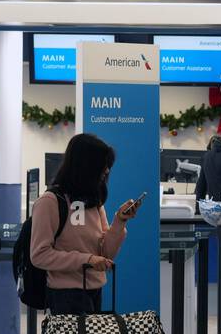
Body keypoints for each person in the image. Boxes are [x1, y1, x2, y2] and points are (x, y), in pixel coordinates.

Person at [29, 133, 140, 316]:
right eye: (102, 165)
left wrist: (119, 221)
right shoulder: (50, 202)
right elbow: (40, 255)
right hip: (65, 296)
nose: (105, 171)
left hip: (95, 290)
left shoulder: (93, 201)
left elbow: (105, 253)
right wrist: (86, 260)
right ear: (86, 166)